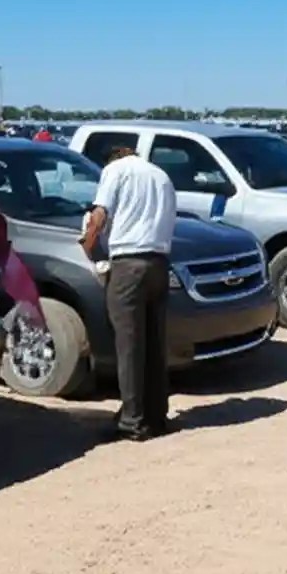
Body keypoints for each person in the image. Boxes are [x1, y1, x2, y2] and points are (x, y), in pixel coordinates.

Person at [80, 146, 177, 441]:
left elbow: (99, 214)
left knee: (129, 345)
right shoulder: (161, 176)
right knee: (154, 343)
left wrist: (88, 245)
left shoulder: (116, 170)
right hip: (159, 263)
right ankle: (157, 415)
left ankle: (132, 420)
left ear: (114, 158)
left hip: (128, 264)